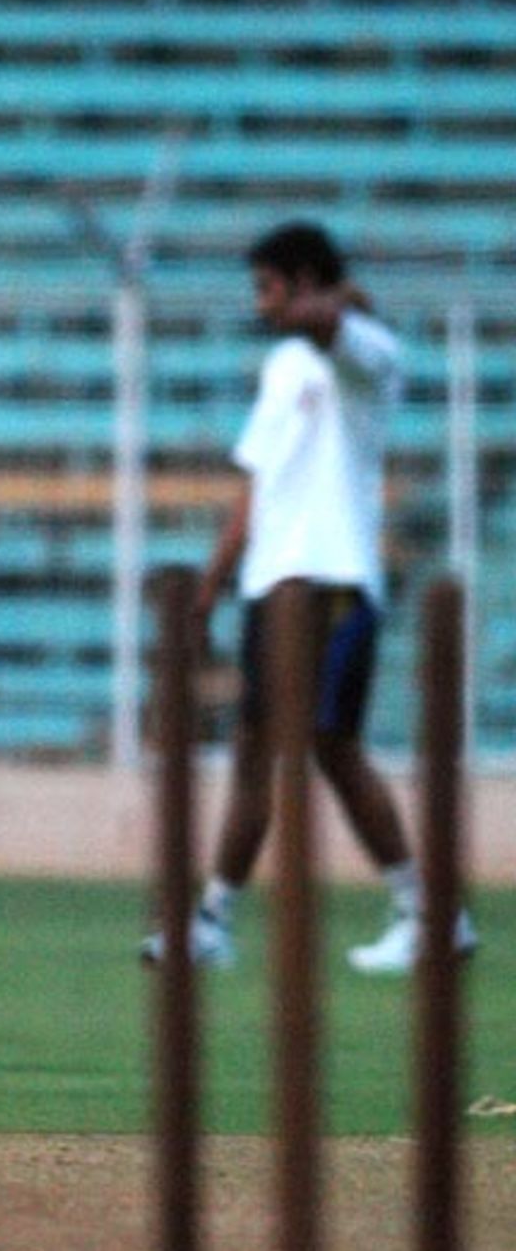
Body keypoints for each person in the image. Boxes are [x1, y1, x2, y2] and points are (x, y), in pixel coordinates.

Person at [141, 220, 476, 974]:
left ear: (303, 282)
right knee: (258, 752)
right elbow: (258, 485)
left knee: (332, 746)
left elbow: (330, 323)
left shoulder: (370, 351)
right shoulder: (287, 365)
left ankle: (430, 914)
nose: (259, 306)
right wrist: (212, 584)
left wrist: (336, 302)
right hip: (273, 582)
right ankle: (213, 922)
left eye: (268, 289)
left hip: (333, 582)